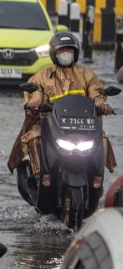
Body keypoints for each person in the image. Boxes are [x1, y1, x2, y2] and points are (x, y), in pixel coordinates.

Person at [8, 30, 117, 189]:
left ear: (76, 52)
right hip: (50, 126)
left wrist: (103, 106)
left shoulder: (88, 75)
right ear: (54, 53)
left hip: (83, 127)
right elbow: (36, 94)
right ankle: (39, 179)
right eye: (61, 50)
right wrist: (34, 104)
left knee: (102, 139)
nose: (66, 53)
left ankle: (96, 177)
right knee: (33, 137)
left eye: (69, 50)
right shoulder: (42, 77)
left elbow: (97, 94)